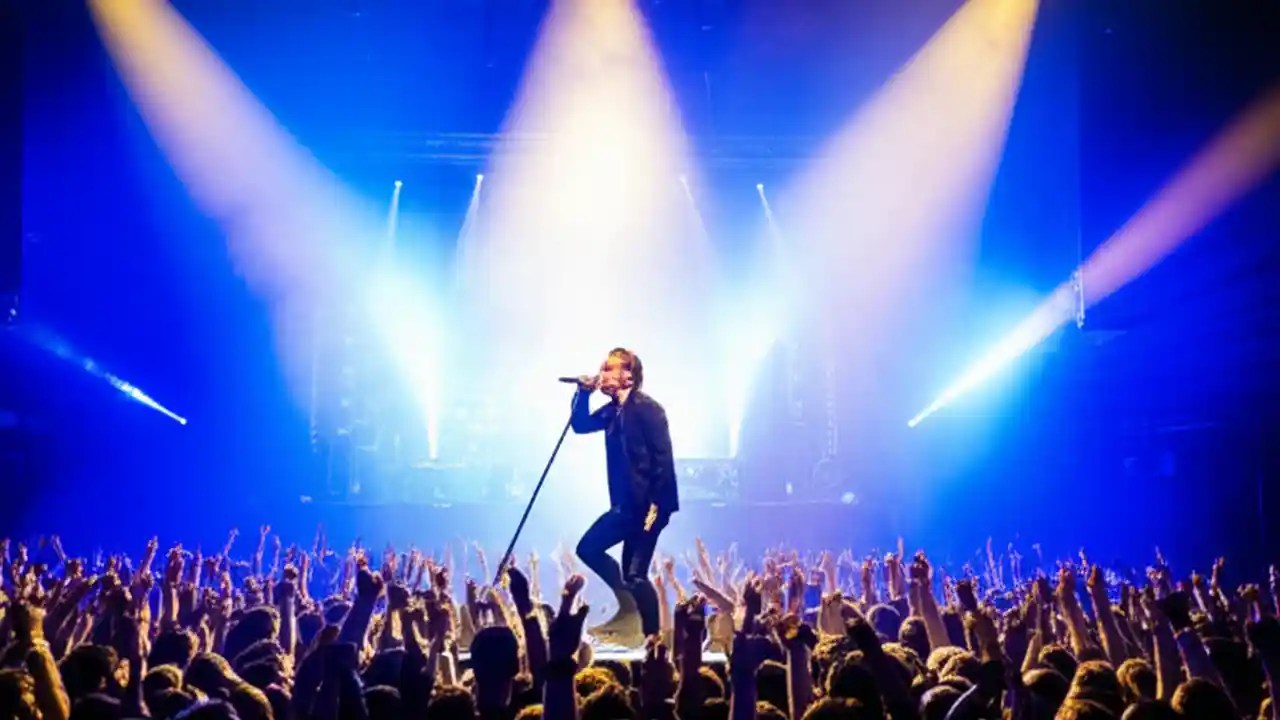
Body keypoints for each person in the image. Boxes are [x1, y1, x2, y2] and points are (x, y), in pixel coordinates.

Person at [570, 347, 678, 646]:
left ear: (629, 376)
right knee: (589, 548)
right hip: (624, 505)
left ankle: (652, 637)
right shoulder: (612, 411)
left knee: (636, 574)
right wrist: (582, 394)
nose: (603, 375)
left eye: (610, 369)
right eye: (602, 369)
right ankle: (629, 609)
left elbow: (663, 458)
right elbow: (580, 426)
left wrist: (657, 505)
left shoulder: (648, 409)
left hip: (648, 505)